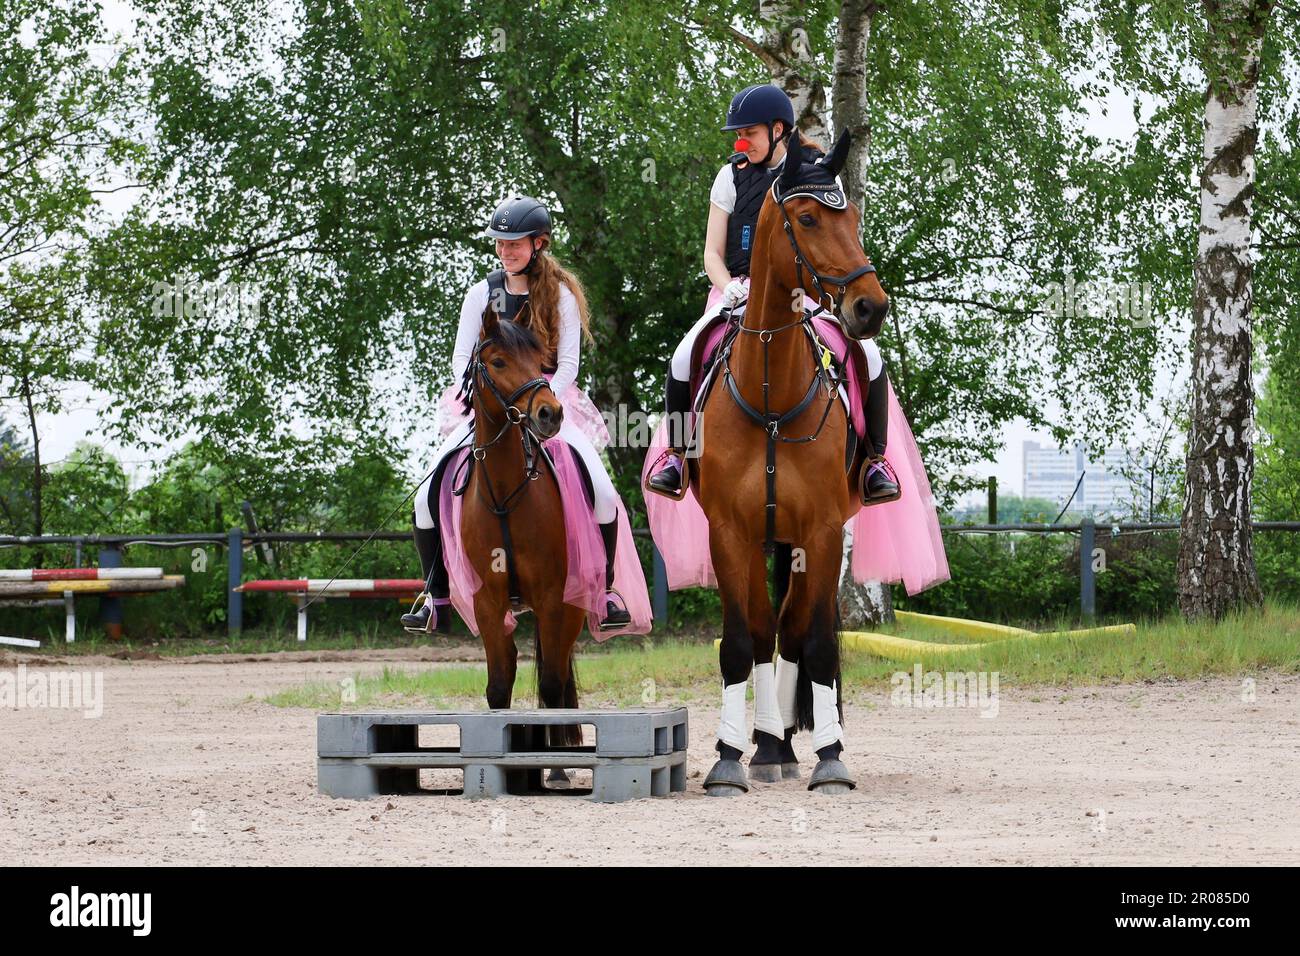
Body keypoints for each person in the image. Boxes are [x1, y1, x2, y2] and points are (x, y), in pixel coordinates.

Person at [645, 83, 899, 502]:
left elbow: (835, 236)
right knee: (681, 357)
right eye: (737, 135)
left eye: (749, 133)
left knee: (869, 357)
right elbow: (711, 251)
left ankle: (875, 460)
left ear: (778, 130)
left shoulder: (815, 173)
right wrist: (727, 288)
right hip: (738, 292)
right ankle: (676, 454)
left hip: (807, 294)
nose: (740, 142)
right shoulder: (730, 175)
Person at [402, 196, 631, 632]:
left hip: (545, 406)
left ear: (538, 244)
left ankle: (605, 590)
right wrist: (486, 400)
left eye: (515, 244)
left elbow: (567, 365)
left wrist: (536, 404)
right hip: (488, 405)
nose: (506, 251)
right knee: (425, 495)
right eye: (500, 244)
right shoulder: (481, 294)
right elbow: (461, 359)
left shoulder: (559, 295)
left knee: (601, 490)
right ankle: (436, 594)